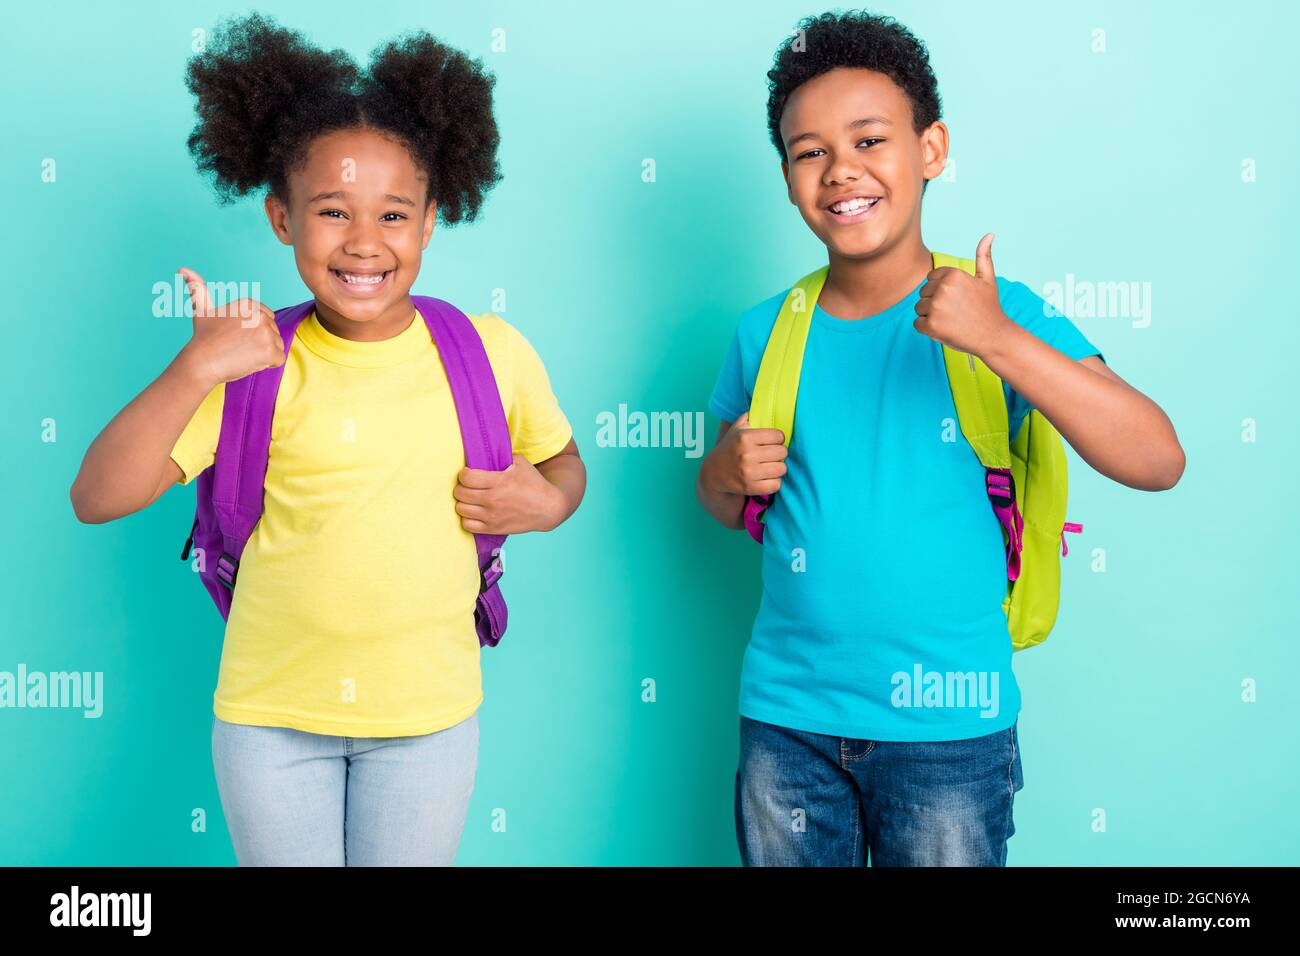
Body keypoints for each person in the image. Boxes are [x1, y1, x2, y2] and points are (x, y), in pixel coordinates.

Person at [69, 12, 585, 866]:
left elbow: (564, 464)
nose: (364, 243)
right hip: (270, 719)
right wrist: (192, 370)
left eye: (394, 215)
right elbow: (96, 497)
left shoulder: (489, 350)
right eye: (332, 211)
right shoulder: (248, 364)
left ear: (430, 222)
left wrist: (552, 500)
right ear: (281, 219)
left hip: (429, 719)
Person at [695, 10, 1184, 866]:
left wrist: (997, 339)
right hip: (785, 722)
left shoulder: (1002, 314)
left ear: (931, 149)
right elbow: (718, 495)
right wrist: (726, 472)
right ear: (786, 177)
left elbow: (1157, 458)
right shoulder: (768, 331)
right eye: (810, 151)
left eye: (870, 139)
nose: (840, 169)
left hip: (949, 732)